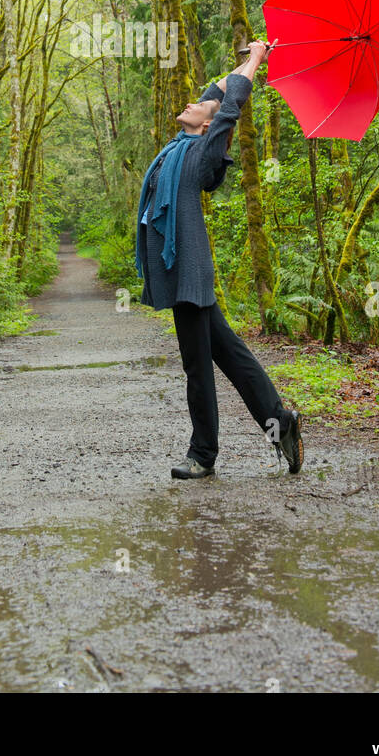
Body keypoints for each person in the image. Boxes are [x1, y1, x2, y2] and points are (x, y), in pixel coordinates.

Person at [135, 40, 304, 479]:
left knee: (197, 364)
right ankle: (279, 422)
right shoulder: (178, 146)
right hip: (182, 271)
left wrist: (256, 63)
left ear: (211, 123)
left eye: (200, 104)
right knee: (229, 353)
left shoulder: (204, 150)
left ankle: (203, 454)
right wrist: (252, 55)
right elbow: (221, 88)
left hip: (188, 269)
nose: (192, 101)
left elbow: (231, 102)